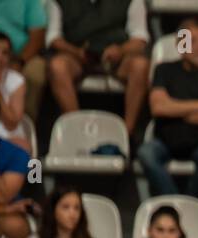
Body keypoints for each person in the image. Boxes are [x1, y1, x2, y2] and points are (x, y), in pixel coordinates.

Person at [138, 16, 198, 198]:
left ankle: (190, 199)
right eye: (192, 41)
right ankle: (174, 199)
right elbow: (158, 108)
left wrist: (174, 108)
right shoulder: (163, 70)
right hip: (166, 139)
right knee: (146, 153)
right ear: (181, 43)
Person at [45, 0, 150, 136]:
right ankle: (77, 130)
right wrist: (76, 52)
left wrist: (121, 50)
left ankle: (126, 132)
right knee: (57, 66)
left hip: (117, 57)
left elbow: (140, 38)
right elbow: (53, 38)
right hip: (77, 55)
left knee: (140, 65)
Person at [0, 0, 47, 121]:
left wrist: (20, 61)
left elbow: (38, 34)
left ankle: (25, 124)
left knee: (35, 73)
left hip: (20, 55)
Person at [0, 92, 30, 238]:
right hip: (1, 210)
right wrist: (5, 209)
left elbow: (2, 197)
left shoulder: (17, 154)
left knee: (16, 226)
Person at [0, 31, 31, 153]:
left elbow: (12, 124)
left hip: (7, 135)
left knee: (23, 146)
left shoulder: (16, 80)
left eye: (5, 53)